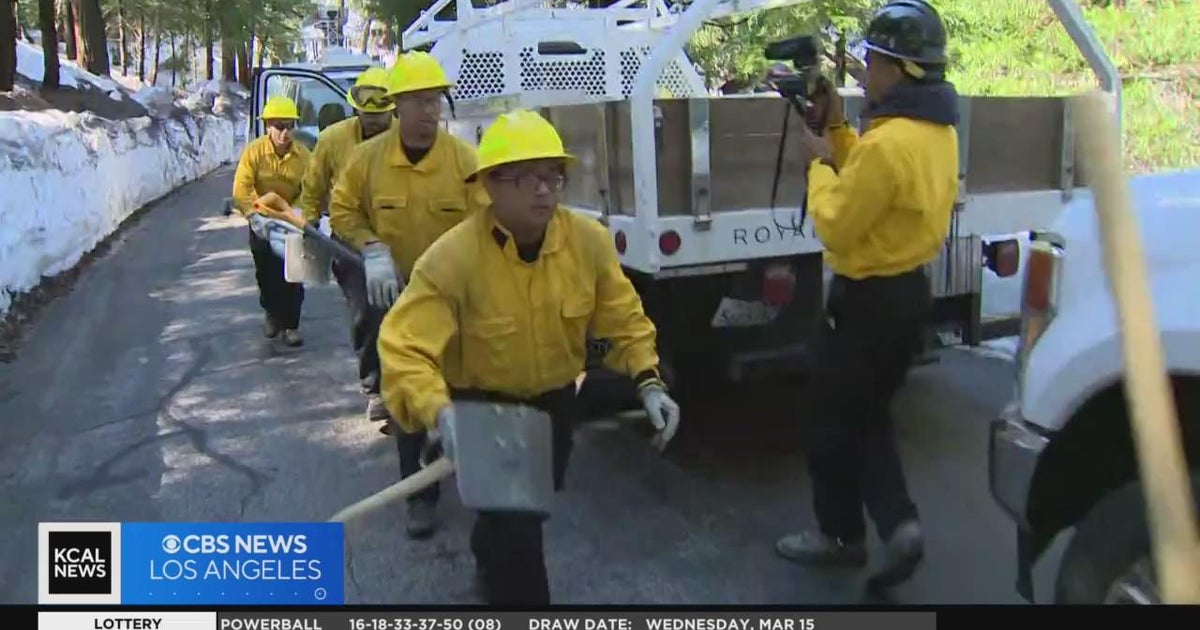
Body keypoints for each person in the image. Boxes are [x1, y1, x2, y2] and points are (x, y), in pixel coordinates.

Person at [376, 109, 682, 605]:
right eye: (526, 178)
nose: (544, 190)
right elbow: (403, 347)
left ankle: (490, 551)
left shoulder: (588, 243)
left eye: (552, 176)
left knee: (525, 515)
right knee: (519, 540)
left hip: (553, 405)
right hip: (484, 410)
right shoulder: (453, 259)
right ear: (490, 186)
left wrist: (649, 381)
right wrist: (441, 413)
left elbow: (622, 316)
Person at [774, 0, 959, 590]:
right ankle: (898, 525)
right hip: (908, 298)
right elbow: (876, 185)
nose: (866, 71)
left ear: (902, 70)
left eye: (875, 60)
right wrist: (834, 129)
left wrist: (814, 166)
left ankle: (840, 536)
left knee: (830, 419)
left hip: (864, 305)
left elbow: (836, 220)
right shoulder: (934, 133)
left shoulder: (888, 145)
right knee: (867, 415)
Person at [328, 51, 489, 538]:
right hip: (395, 298)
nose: (428, 111)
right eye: (418, 101)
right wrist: (370, 246)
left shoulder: (463, 160)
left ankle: (475, 480)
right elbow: (342, 211)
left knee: (464, 390)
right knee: (407, 398)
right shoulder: (367, 161)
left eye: (435, 100)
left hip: (454, 297)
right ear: (397, 105)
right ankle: (420, 493)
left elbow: (485, 220)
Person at [295, 67, 396, 409]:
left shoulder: (405, 138)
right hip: (350, 240)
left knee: (404, 311)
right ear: (355, 109)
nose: (373, 122)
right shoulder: (333, 140)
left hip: (396, 235)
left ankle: (407, 382)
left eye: (380, 115)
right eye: (366, 114)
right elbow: (313, 185)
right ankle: (375, 385)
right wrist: (308, 223)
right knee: (366, 311)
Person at [232, 95, 312, 347]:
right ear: (267, 126)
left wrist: (297, 215)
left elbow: (311, 189)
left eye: (289, 125)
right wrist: (255, 216)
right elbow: (241, 188)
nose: (284, 132)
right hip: (262, 221)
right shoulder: (253, 152)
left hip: (291, 221)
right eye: (278, 126)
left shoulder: (304, 156)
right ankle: (272, 314)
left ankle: (291, 325)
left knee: (293, 275)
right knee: (266, 273)